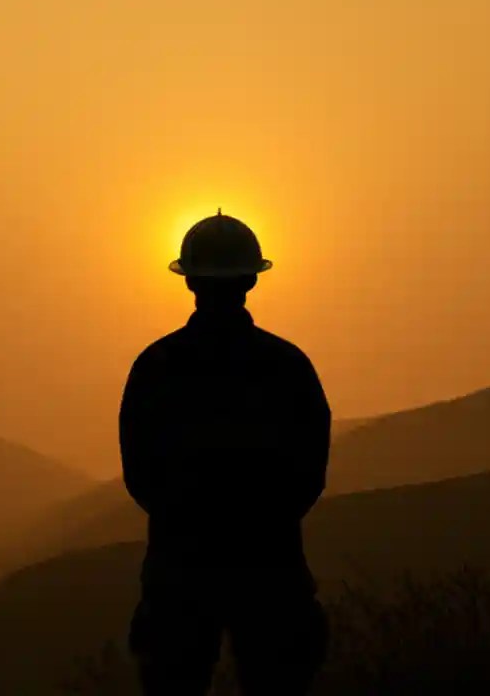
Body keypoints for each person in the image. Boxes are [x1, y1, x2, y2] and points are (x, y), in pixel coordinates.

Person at [119, 209, 331, 695]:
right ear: (251, 281)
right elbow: (309, 470)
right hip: (271, 568)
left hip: (179, 570)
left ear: (189, 280)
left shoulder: (157, 366)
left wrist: (188, 521)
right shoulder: (286, 365)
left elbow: (140, 471)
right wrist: (261, 523)